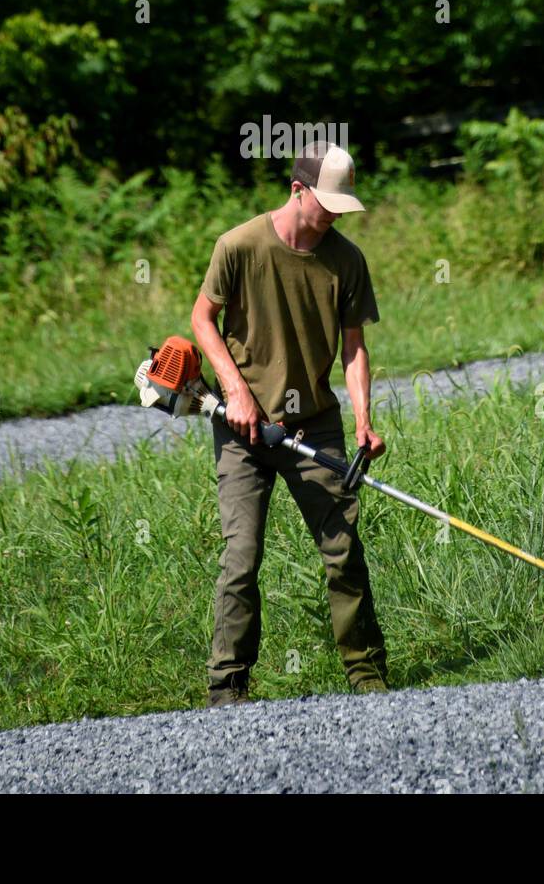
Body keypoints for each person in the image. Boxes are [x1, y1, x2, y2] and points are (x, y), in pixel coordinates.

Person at [190, 139, 390, 708]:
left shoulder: (346, 260)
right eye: (324, 203)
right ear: (297, 189)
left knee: (343, 550)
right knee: (241, 559)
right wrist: (235, 389)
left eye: (340, 206)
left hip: (315, 427)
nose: (331, 215)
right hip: (242, 430)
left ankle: (369, 681)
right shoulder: (239, 245)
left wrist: (363, 422)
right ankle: (227, 690)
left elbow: (354, 347)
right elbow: (202, 320)